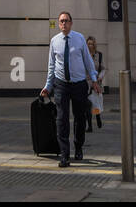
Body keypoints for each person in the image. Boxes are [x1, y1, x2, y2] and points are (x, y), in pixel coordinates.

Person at [41, 11, 100, 167]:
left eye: (66, 21)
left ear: (71, 23)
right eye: (61, 21)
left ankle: (78, 147)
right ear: (58, 24)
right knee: (62, 119)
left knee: (80, 118)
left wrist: (94, 80)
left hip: (79, 84)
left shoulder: (79, 38)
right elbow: (51, 65)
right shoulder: (54, 41)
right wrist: (48, 86)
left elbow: (88, 61)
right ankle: (65, 155)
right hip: (61, 85)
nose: (63, 24)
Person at [86, 37, 105, 130]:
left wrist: (100, 77)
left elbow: (103, 68)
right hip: (86, 83)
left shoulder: (99, 55)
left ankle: (97, 117)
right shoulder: (84, 55)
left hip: (96, 83)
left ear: (94, 45)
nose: (90, 45)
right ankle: (89, 125)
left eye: (92, 44)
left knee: (96, 104)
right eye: (88, 44)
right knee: (87, 105)